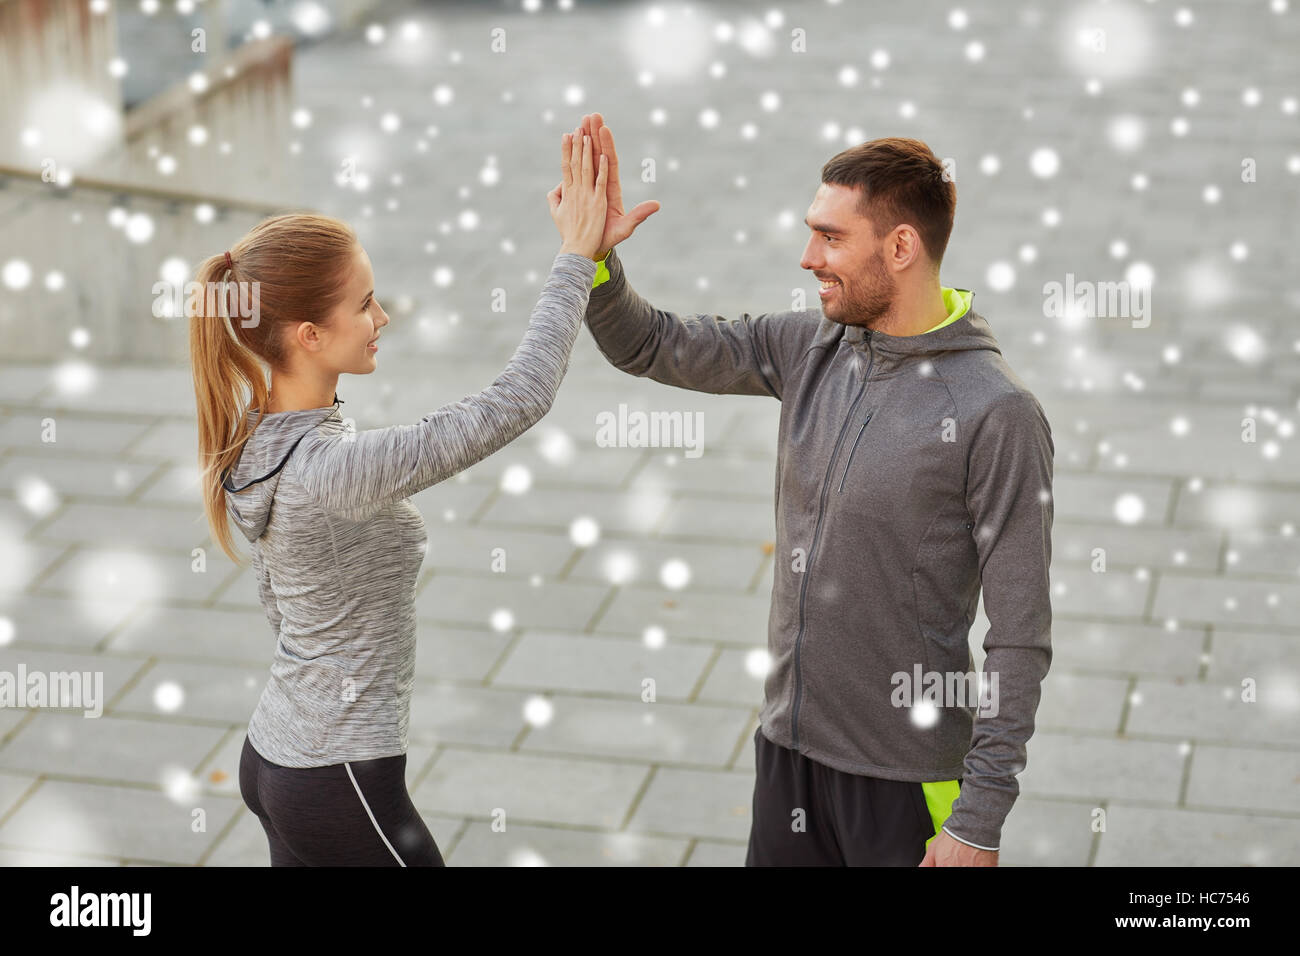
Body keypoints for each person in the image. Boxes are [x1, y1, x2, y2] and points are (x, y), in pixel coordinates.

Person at [574, 113, 1054, 867]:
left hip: (906, 782)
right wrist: (595, 260)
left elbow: (1020, 634)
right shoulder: (810, 348)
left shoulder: (996, 413)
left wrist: (978, 819)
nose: (807, 258)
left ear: (901, 247)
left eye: (831, 237)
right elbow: (649, 344)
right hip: (788, 757)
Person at [189, 128, 609, 865]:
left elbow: (280, 599)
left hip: (282, 755)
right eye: (366, 303)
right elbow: (516, 400)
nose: (383, 318)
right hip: (337, 776)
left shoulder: (256, 439)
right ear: (312, 334)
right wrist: (578, 256)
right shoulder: (332, 470)